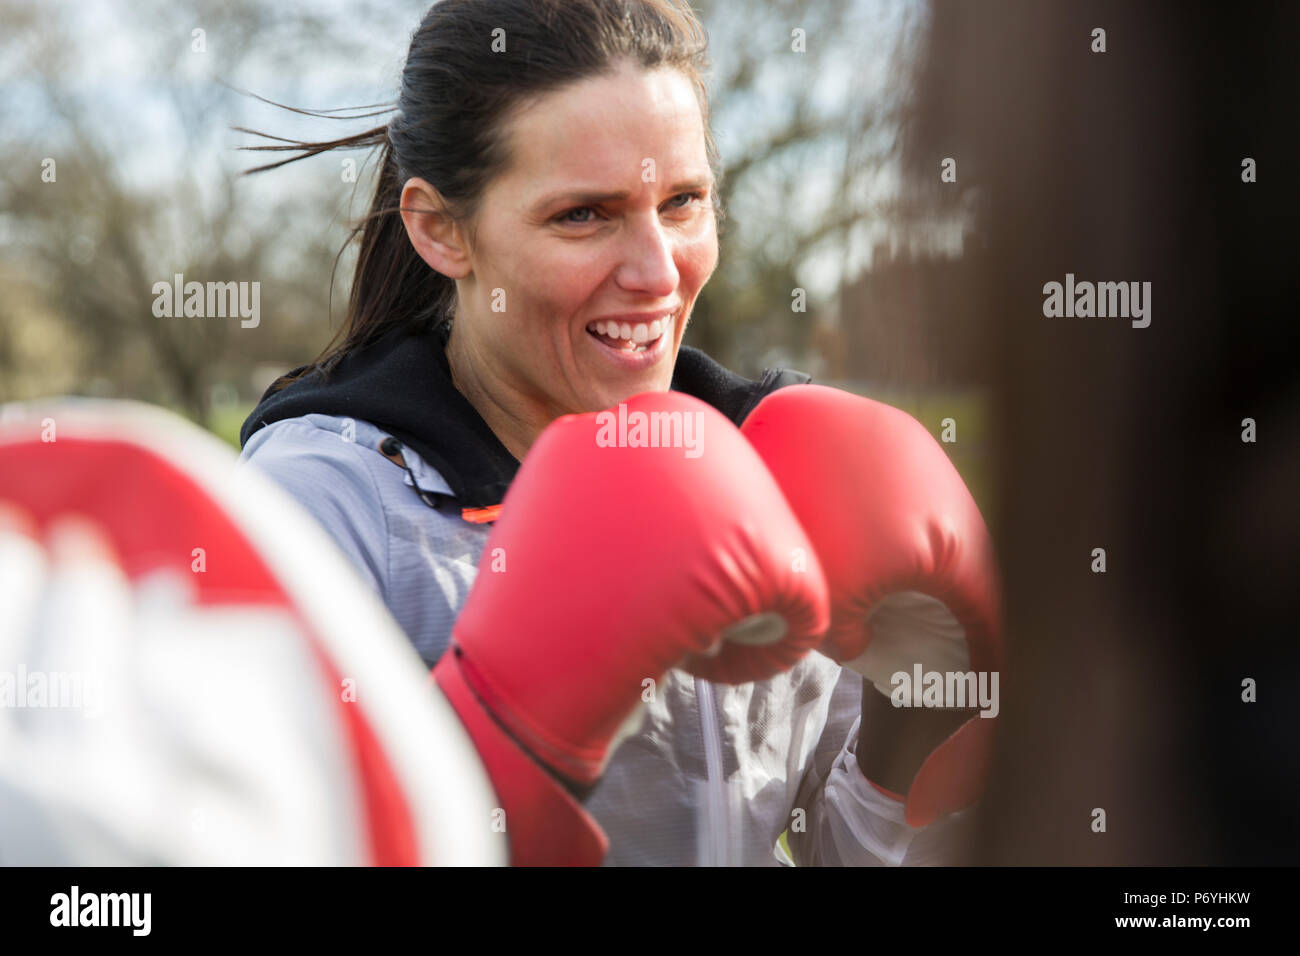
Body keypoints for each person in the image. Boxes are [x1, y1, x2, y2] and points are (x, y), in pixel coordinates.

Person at [238, 0, 1000, 866]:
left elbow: (855, 852)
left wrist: (919, 719)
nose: (656, 271)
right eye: (584, 215)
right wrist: (501, 758)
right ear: (441, 229)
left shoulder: (780, 474)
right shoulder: (324, 507)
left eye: (682, 202)